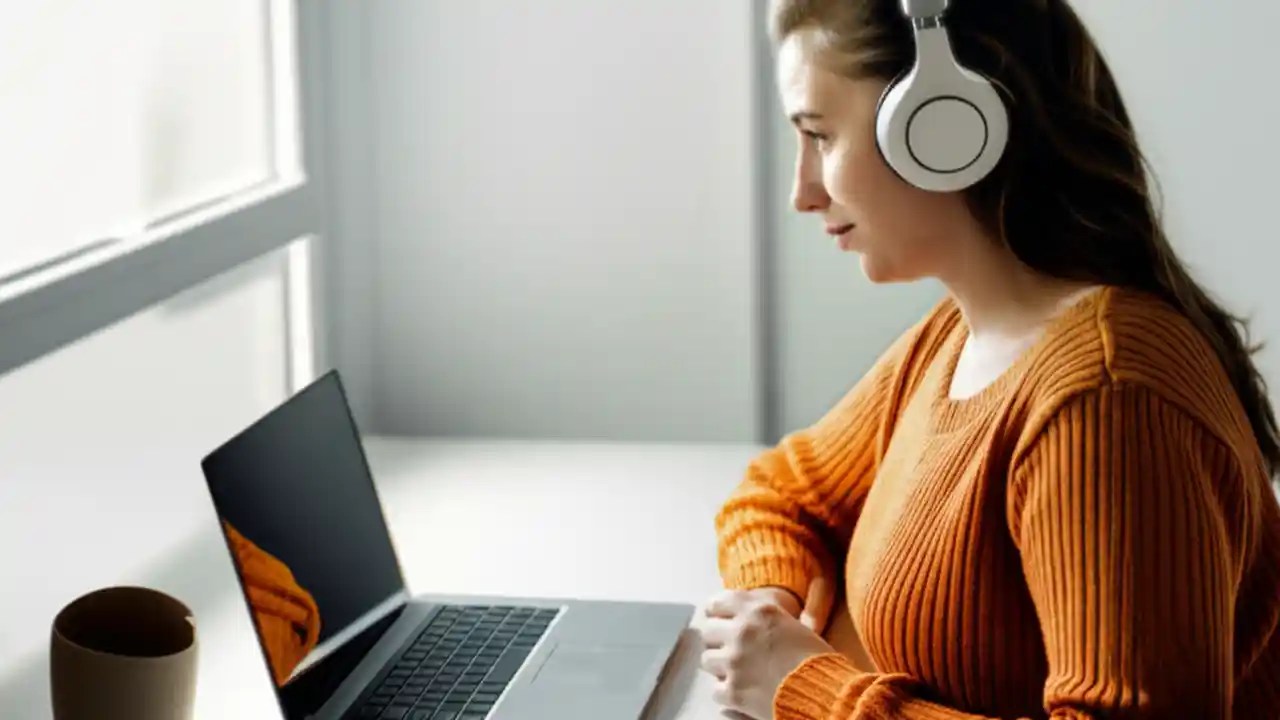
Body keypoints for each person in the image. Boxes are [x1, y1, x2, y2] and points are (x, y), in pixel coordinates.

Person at [701, 1, 1280, 718]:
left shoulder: (1106, 397)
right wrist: (771, 605)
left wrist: (808, 693)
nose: (803, 192)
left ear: (939, 126)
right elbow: (783, 492)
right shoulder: (963, 336)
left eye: (820, 136)